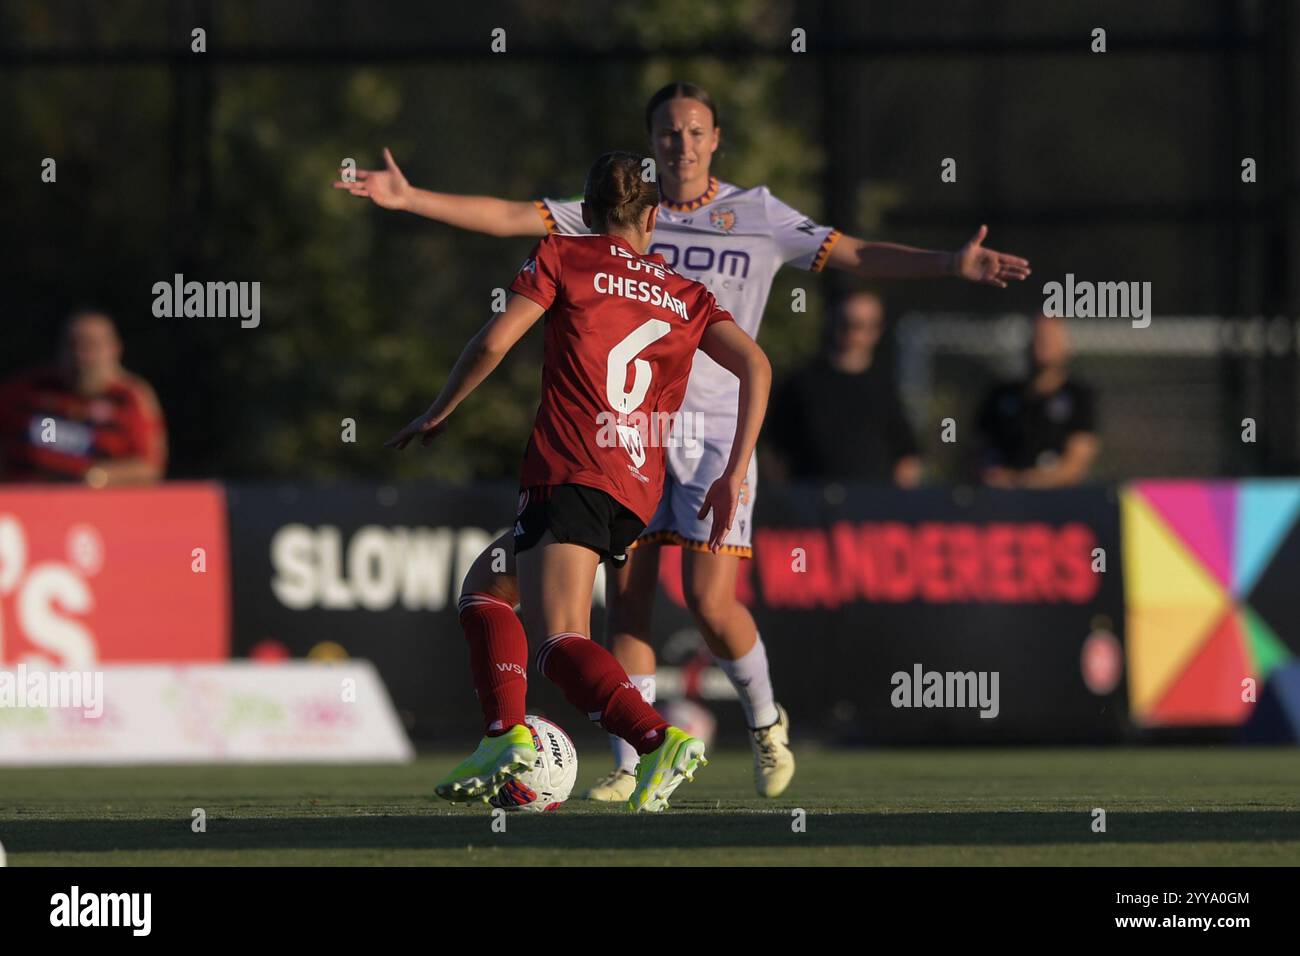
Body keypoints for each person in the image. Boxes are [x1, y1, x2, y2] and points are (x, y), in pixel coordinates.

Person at [340, 81, 1030, 801]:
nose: (682, 144)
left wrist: (948, 262)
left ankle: (733, 727)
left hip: (668, 444)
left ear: (715, 139)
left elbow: (854, 253)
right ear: (651, 159)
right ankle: (624, 763)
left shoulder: (737, 218)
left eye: (695, 131)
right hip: (645, 451)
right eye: (668, 132)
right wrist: (414, 197)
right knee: (607, 607)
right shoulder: (645, 241)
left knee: (667, 610)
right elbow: (509, 215)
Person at [385, 151, 772, 813]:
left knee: (561, 639)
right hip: (635, 485)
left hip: (572, 472)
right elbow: (757, 365)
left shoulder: (567, 255)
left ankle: (658, 741)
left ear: (588, 214)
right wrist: (734, 471)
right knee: (485, 589)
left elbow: (494, 342)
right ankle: (505, 737)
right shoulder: (688, 295)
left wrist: (438, 410)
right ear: (652, 217)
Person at [767, 291, 921, 486]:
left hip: (873, 507)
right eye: (846, 323)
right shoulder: (801, 383)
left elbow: (907, 456)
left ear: (877, 330)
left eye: (862, 326)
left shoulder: (886, 386)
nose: (852, 333)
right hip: (810, 507)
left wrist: (897, 505)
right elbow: (776, 454)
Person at [0, 309, 167, 486]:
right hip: (23, 502)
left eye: (92, 346)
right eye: (73, 345)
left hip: (97, 506)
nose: (81, 355)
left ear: (114, 349)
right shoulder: (26, 391)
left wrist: (98, 476)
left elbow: (150, 466)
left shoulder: (130, 398)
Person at [977, 314, 1099, 488]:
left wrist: (1026, 480)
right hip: (1001, 499)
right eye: (1038, 338)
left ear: (1066, 346)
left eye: (1050, 339)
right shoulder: (1001, 395)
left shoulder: (1079, 396)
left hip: (1057, 499)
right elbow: (977, 452)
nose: (1043, 345)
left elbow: (1076, 464)